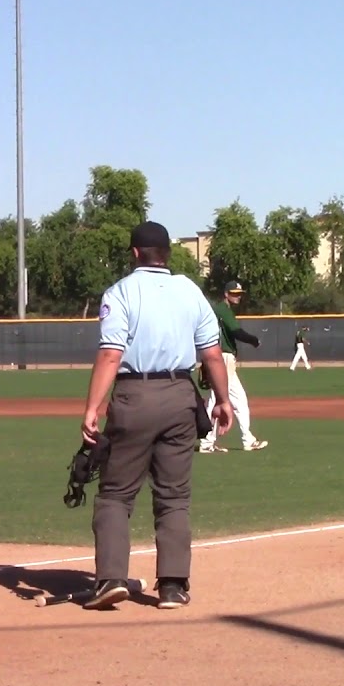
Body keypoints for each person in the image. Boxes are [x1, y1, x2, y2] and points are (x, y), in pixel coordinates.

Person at [79, 220, 233, 612]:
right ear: (167, 252)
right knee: (174, 496)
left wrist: (93, 407)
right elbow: (212, 354)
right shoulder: (190, 291)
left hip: (135, 395)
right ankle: (173, 586)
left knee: (115, 495)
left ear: (134, 253)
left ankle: (112, 579)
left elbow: (111, 354)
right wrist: (223, 400)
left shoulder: (121, 292)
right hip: (182, 396)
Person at [198, 281, 267, 453]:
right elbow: (236, 331)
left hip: (222, 358)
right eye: (234, 293)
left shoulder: (221, 310)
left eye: (239, 293)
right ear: (226, 294)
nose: (238, 296)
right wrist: (254, 340)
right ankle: (209, 442)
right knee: (217, 400)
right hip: (222, 358)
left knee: (237, 400)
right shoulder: (222, 309)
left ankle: (243, 440)